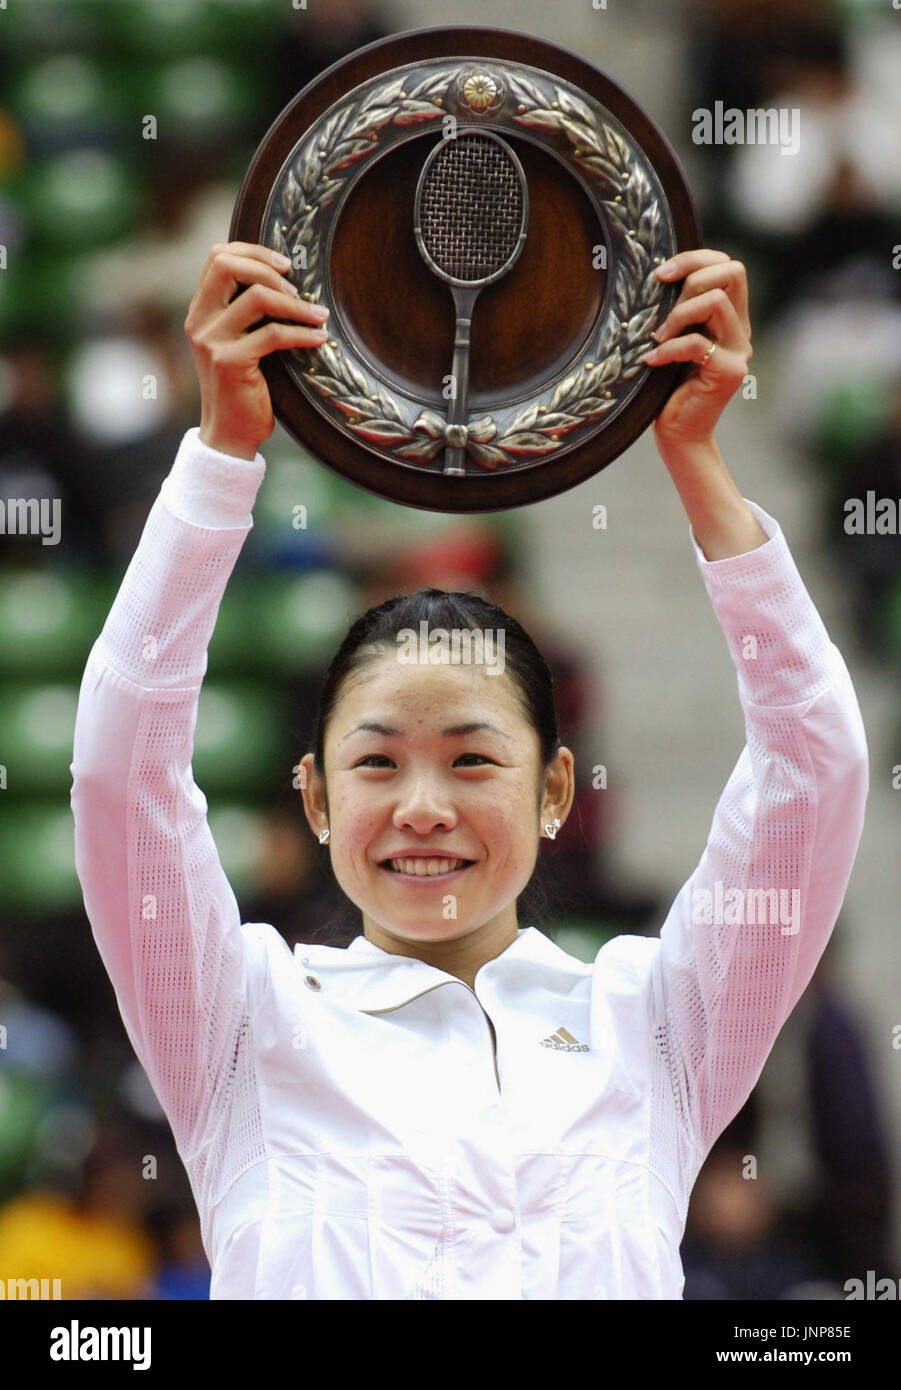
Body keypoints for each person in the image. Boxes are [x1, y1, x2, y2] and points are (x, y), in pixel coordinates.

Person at [69, 241, 869, 1299]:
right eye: (377, 761)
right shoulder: (241, 1021)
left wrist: (699, 468)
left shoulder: (658, 1026)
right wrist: (222, 455)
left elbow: (815, 771)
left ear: (553, 792)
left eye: (473, 758)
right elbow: (123, 777)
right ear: (314, 797)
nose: (423, 807)